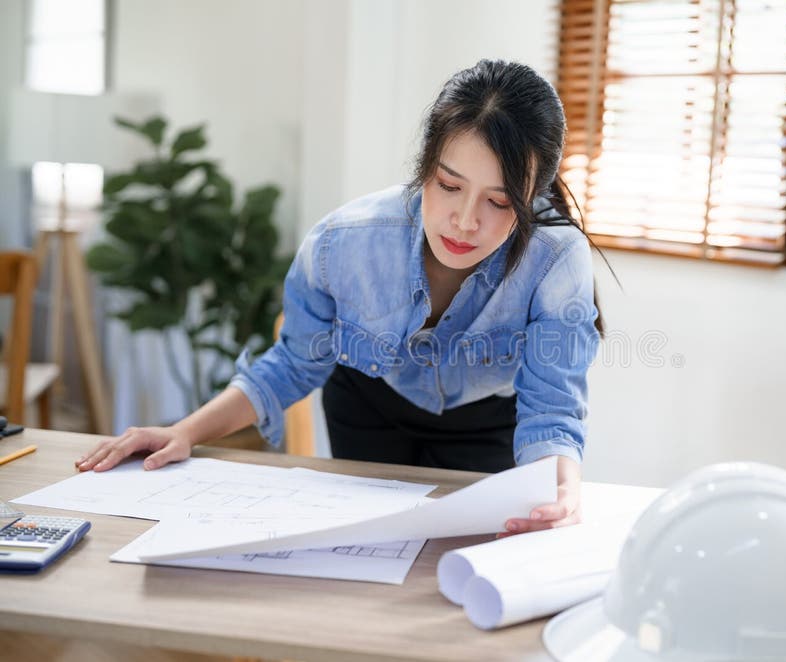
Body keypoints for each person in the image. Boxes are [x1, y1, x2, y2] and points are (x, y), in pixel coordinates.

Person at [76, 59, 602, 536]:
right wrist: (184, 431)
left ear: (533, 195)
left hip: (489, 420)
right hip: (368, 405)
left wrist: (561, 492)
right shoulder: (343, 243)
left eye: (500, 200)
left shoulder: (556, 259)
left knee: (466, 556)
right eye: (448, 186)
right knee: (372, 551)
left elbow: (551, 409)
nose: (466, 221)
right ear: (425, 167)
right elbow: (290, 364)